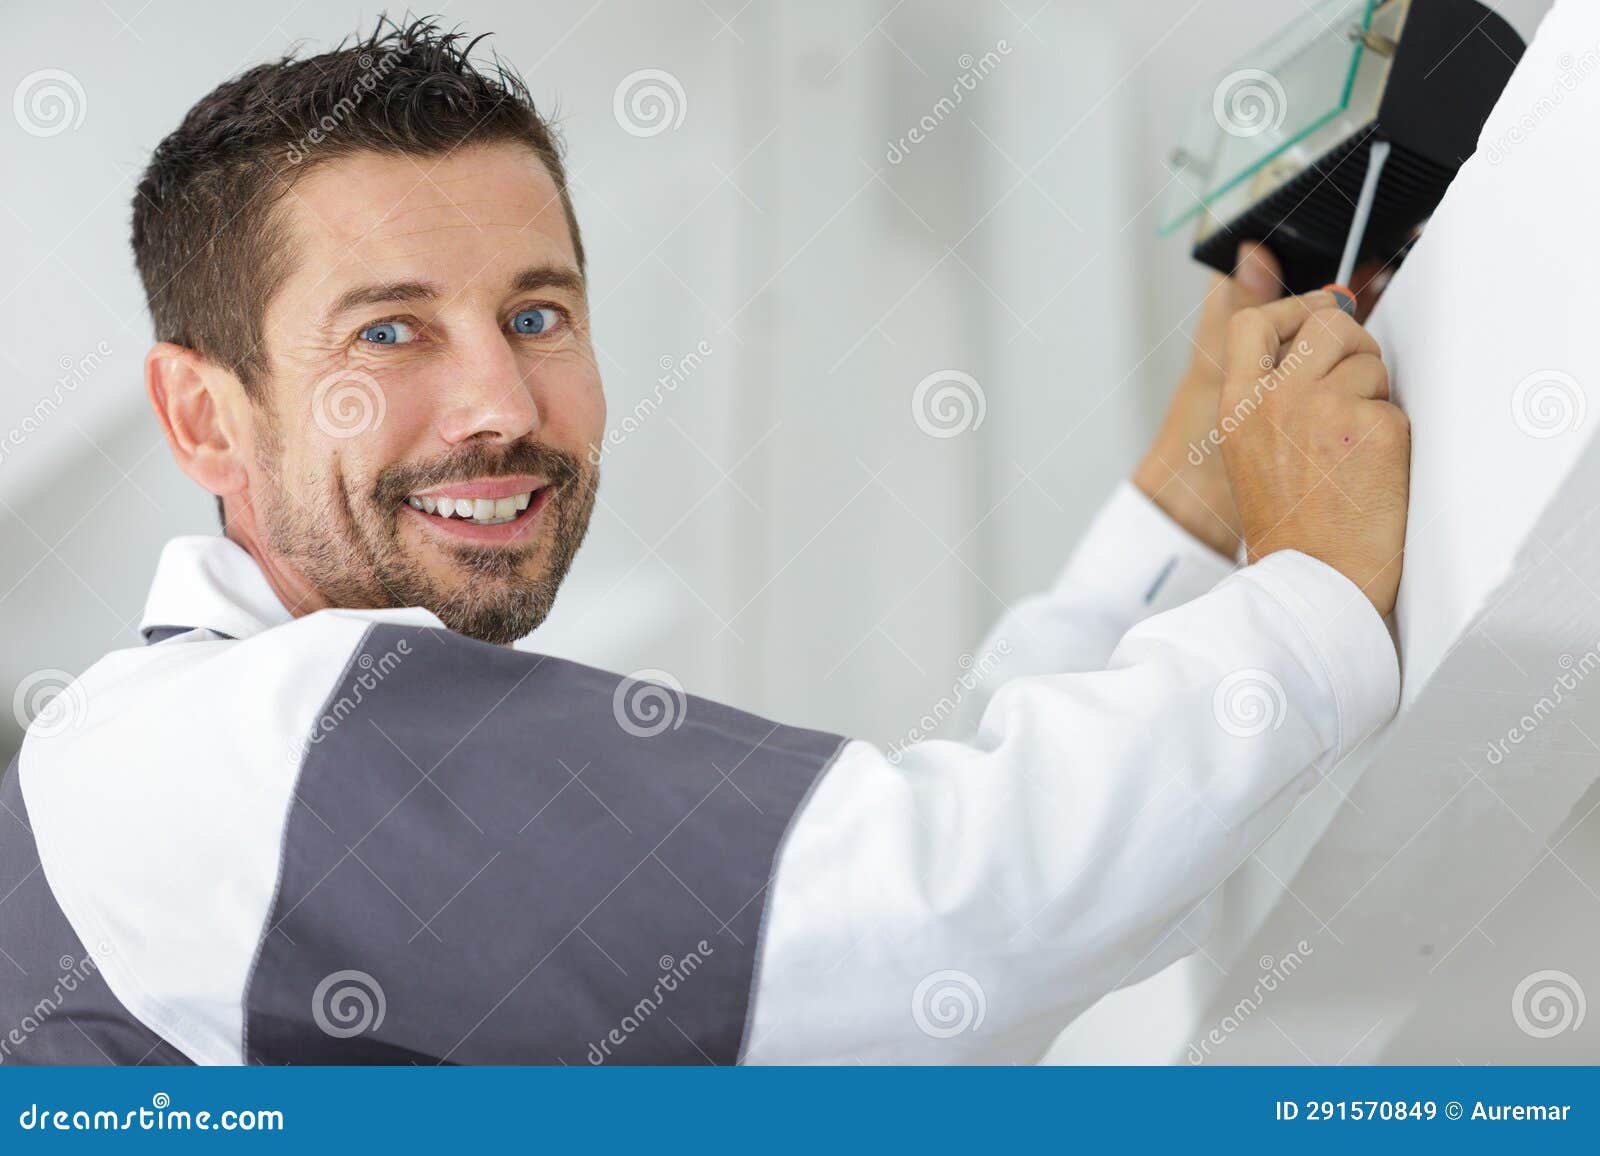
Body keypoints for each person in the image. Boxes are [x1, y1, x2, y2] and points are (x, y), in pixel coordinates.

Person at [0, 16, 1408, 1066]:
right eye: (390, 333)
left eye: (537, 316)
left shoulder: (229, 757)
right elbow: (937, 922)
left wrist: (1186, 506)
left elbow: (871, 962)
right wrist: (1315, 592)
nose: (503, 405)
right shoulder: (245, 745)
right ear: (204, 416)